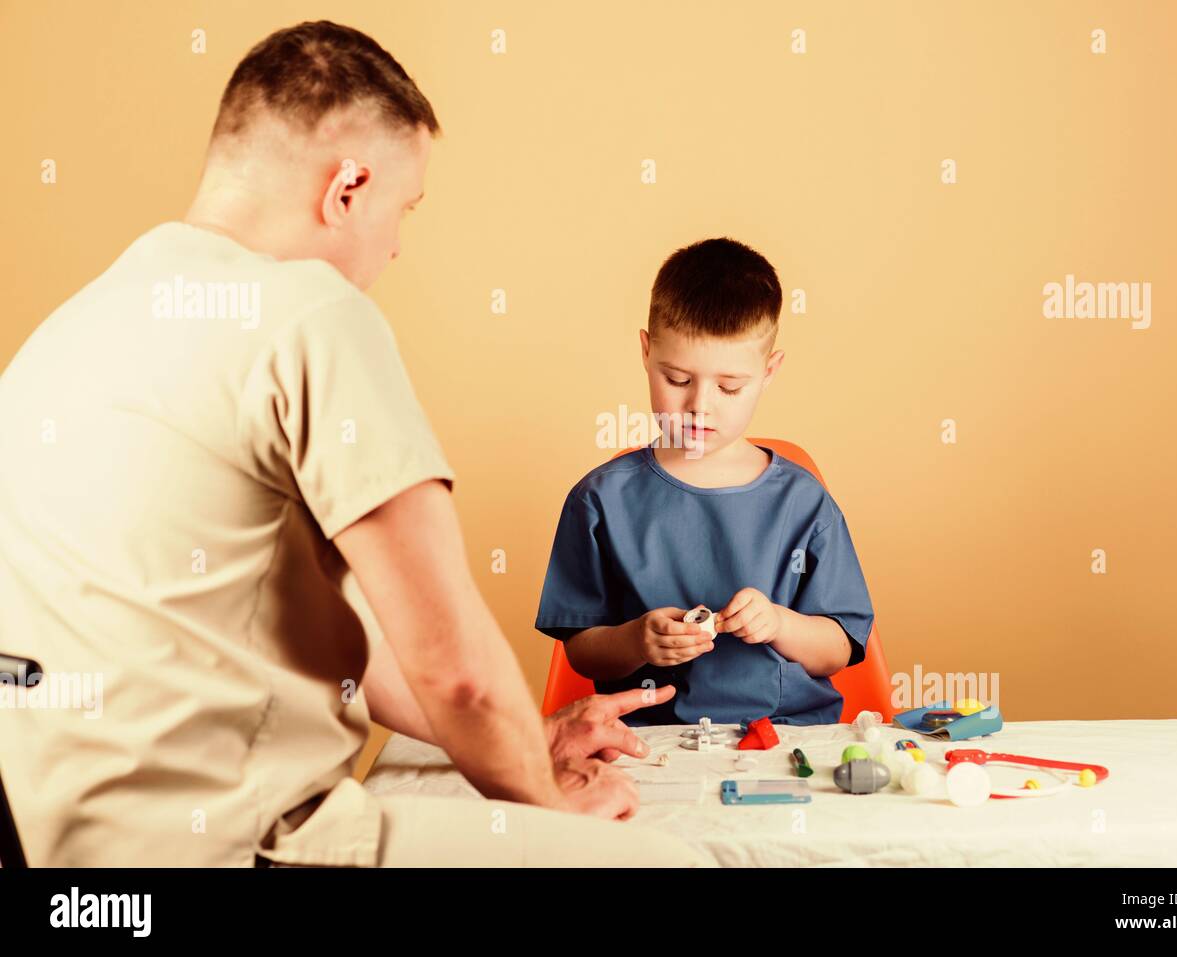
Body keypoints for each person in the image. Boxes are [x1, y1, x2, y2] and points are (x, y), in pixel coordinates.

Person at [0, 20, 709, 867]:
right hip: (237, 847)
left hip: (69, 862)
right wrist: (550, 805)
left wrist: (534, 736)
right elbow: (458, 672)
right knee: (672, 861)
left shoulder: (69, 332)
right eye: (403, 208)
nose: (400, 243)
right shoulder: (311, 312)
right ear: (348, 187)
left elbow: (359, 641)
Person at [535, 238, 874, 726]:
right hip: (650, 742)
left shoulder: (803, 503)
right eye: (677, 380)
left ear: (769, 371)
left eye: (730, 387)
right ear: (647, 353)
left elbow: (838, 648)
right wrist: (636, 640)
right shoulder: (600, 501)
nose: (699, 406)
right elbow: (582, 652)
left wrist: (779, 623)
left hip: (780, 737)